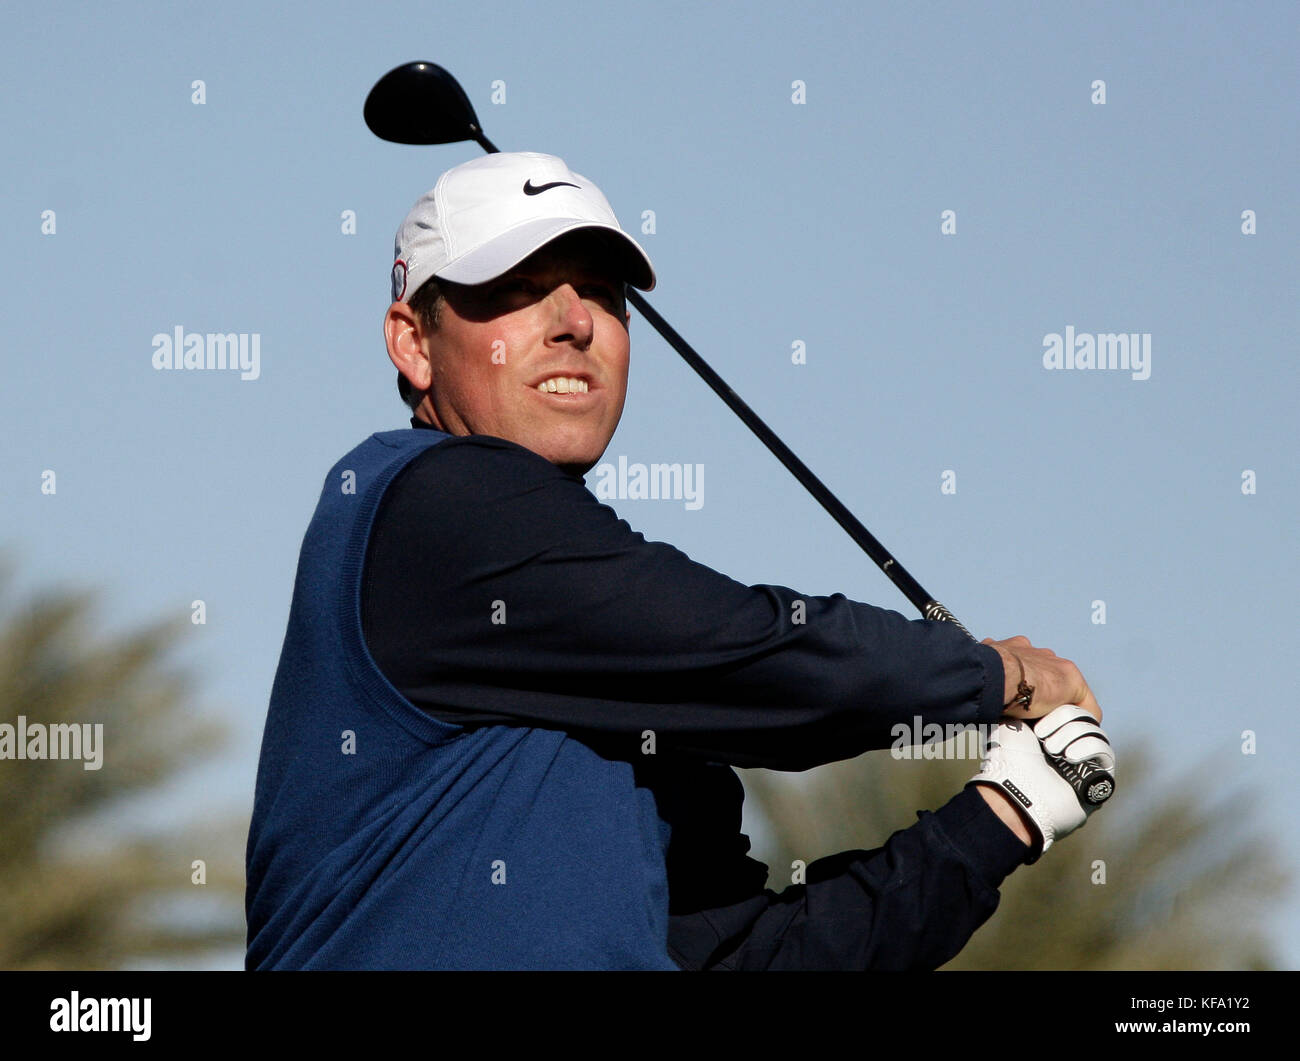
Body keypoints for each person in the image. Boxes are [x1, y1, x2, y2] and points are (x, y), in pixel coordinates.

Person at [244, 151, 1113, 970]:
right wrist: (998, 676)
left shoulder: (611, 684)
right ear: (414, 342)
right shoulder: (429, 503)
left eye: (602, 293)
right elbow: (757, 655)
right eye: (518, 290)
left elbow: (749, 956)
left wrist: (1008, 812)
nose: (575, 322)